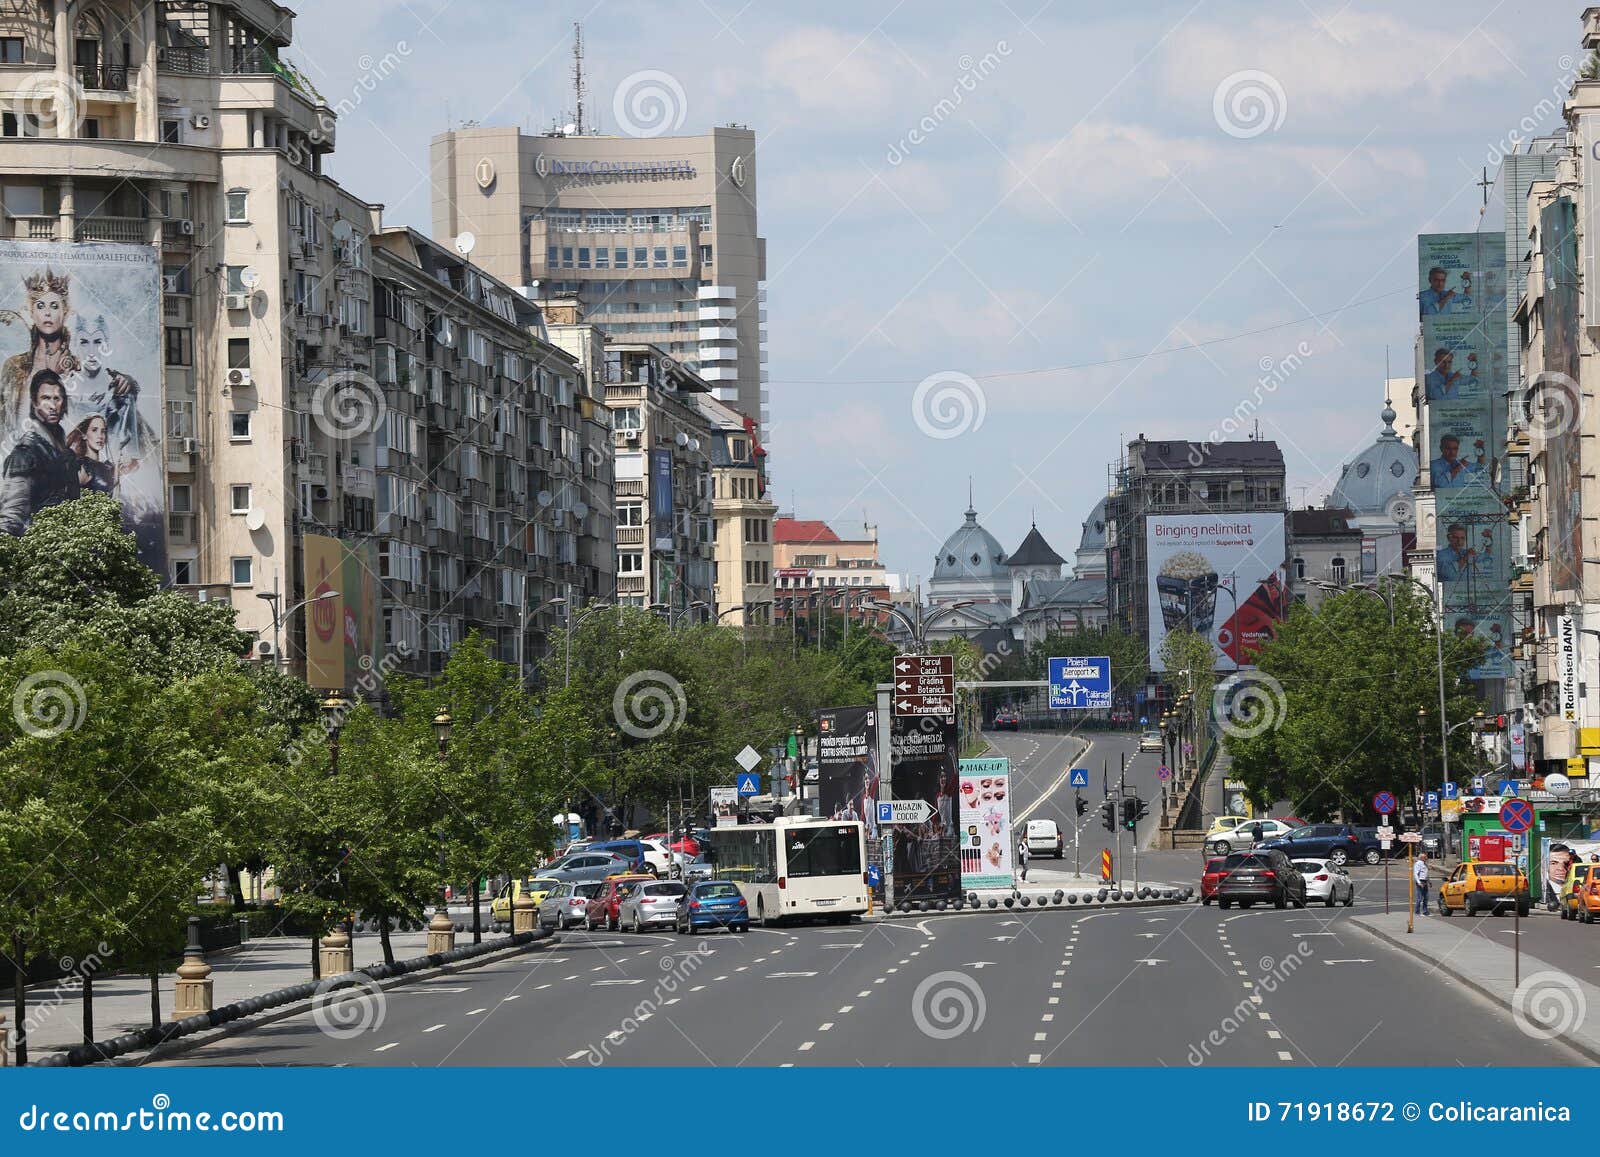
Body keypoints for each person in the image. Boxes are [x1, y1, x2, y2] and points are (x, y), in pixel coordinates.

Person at [0, 369, 80, 535]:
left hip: (71, 546)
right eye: (45, 398)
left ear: (63, 403)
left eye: (57, 398)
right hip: (39, 549)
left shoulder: (64, 451)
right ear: (34, 403)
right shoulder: (25, 453)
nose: (52, 406)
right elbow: (12, 515)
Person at [1, 268, 76, 429]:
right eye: (41, 306)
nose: (47, 313)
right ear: (32, 313)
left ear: (65, 312)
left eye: (54, 306)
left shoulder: (76, 365)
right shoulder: (14, 366)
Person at [66, 412, 114, 496]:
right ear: (84, 435)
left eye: (103, 431)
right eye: (94, 430)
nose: (100, 436)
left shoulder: (106, 467)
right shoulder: (82, 465)